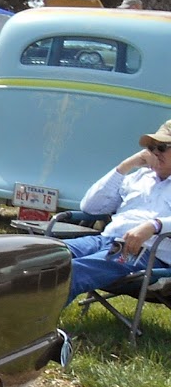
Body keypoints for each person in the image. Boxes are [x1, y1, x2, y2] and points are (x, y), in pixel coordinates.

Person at [63, 119, 171, 302]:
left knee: (71, 272)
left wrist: (155, 225)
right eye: (152, 148)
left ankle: (32, 327)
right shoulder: (139, 177)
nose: (154, 152)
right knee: (45, 255)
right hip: (104, 240)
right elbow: (90, 207)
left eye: (162, 147)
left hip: (144, 252)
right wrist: (125, 166)